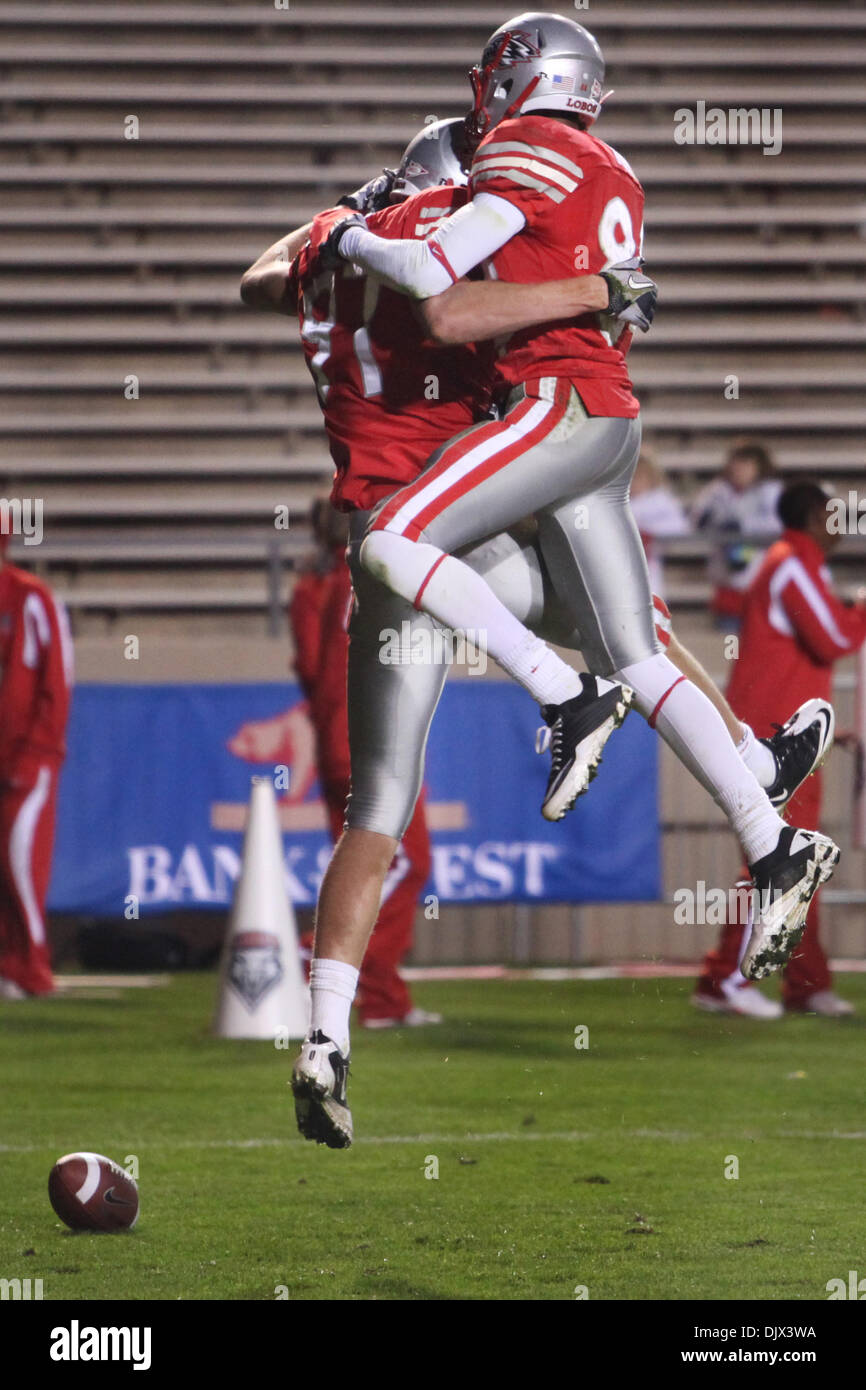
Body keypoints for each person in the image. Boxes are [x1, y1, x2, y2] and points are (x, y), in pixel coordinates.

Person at [244, 106, 834, 1148]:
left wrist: (337, 218)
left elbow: (257, 277)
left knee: (373, 811)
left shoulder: (320, 262)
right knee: (626, 631)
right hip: (458, 535)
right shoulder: (439, 225)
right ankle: (657, 738)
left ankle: (325, 1035)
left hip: (380, 546)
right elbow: (453, 303)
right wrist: (595, 288)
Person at [694, 480, 866, 1019]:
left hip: (783, 736)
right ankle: (726, 980)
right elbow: (835, 639)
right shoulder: (793, 561)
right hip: (774, 744)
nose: (839, 523)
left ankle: (801, 984)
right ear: (815, 515)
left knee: (792, 858)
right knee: (777, 859)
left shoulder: (794, 562)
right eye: (832, 513)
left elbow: (797, 656)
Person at [289, 499, 440, 1029]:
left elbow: (308, 667)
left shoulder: (308, 586)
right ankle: (332, 961)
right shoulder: (380, 571)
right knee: (402, 862)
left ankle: (365, 992)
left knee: (355, 860)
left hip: (333, 740)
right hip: (373, 741)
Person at [0, 524, 74, 999]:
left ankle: (31, 968)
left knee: (20, 861)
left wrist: (37, 751)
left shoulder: (29, 598)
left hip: (27, 759)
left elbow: (58, 678)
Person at [691, 438, 782, 623]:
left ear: (759, 466)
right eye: (736, 462)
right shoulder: (717, 490)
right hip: (726, 579)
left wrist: (742, 526)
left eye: (746, 463)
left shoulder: (771, 491)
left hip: (759, 580)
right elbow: (698, 519)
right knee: (728, 644)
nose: (739, 468)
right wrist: (713, 521)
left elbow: (777, 525)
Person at [628, 446, 690, 598]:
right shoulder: (615, 501)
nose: (636, 481)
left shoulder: (661, 500)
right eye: (632, 475)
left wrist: (647, 530)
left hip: (649, 567)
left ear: (651, 476)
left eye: (641, 475)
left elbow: (680, 527)